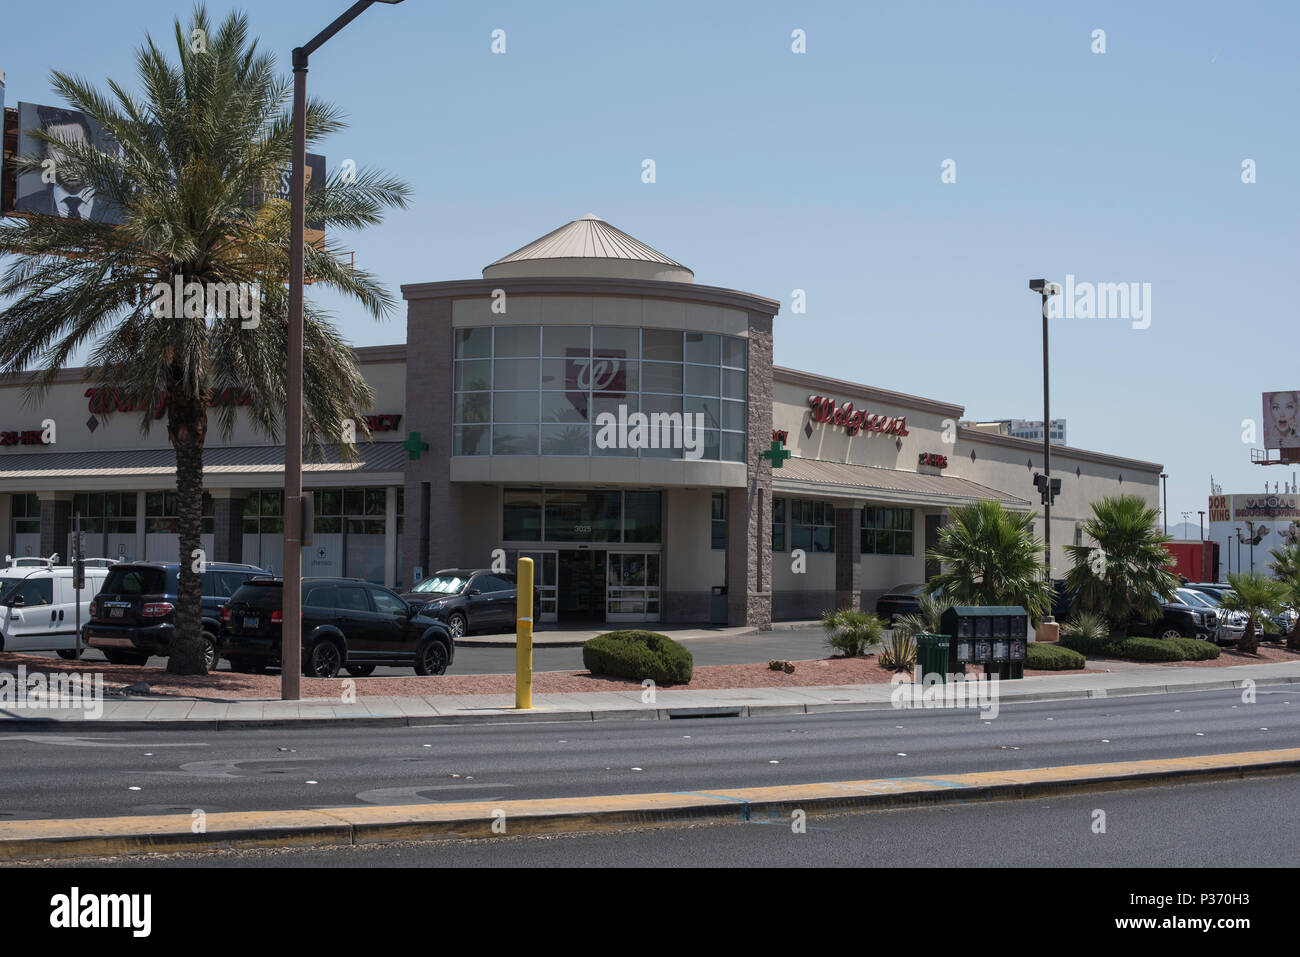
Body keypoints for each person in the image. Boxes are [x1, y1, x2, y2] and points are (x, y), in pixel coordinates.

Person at [15, 105, 119, 223]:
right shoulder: (27, 205)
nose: (69, 158)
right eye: (58, 148)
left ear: (92, 151)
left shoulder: (119, 210)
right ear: (46, 155)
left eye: (76, 146)